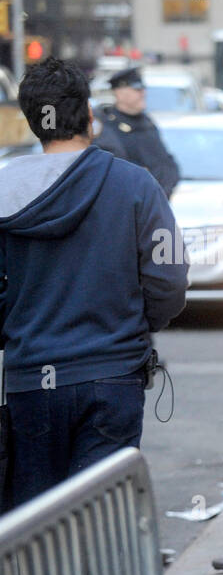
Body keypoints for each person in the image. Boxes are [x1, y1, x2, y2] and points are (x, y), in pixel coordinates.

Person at [0, 57, 188, 508]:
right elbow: (170, 278)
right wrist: (140, 326)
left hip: (29, 381)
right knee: (105, 519)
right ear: (89, 116)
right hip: (113, 376)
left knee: (34, 525)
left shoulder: (5, 189)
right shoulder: (136, 185)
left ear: (33, 121)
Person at [93, 66, 181, 198]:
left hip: (153, 202)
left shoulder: (147, 123)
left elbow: (166, 165)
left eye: (143, 89)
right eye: (137, 89)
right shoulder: (104, 124)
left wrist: (160, 193)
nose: (143, 93)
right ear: (119, 93)